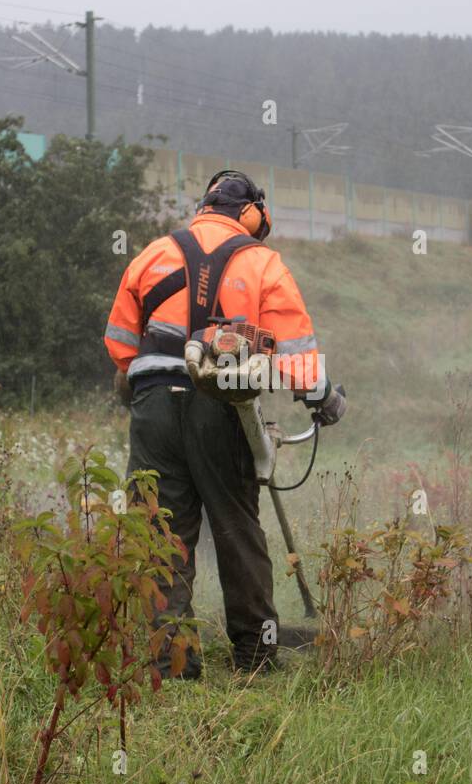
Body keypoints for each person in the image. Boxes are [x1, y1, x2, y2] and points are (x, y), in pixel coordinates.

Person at [104, 169, 346, 677]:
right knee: (237, 530)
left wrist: (141, 382)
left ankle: (171, 664)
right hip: (221, 408)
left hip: (152, 408)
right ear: (250, 214)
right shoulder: (262, 263)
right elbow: (297, 354)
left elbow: (122, 345)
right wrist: (323, 400)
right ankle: (255, 657)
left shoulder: (153, 254)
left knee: (161, 531)